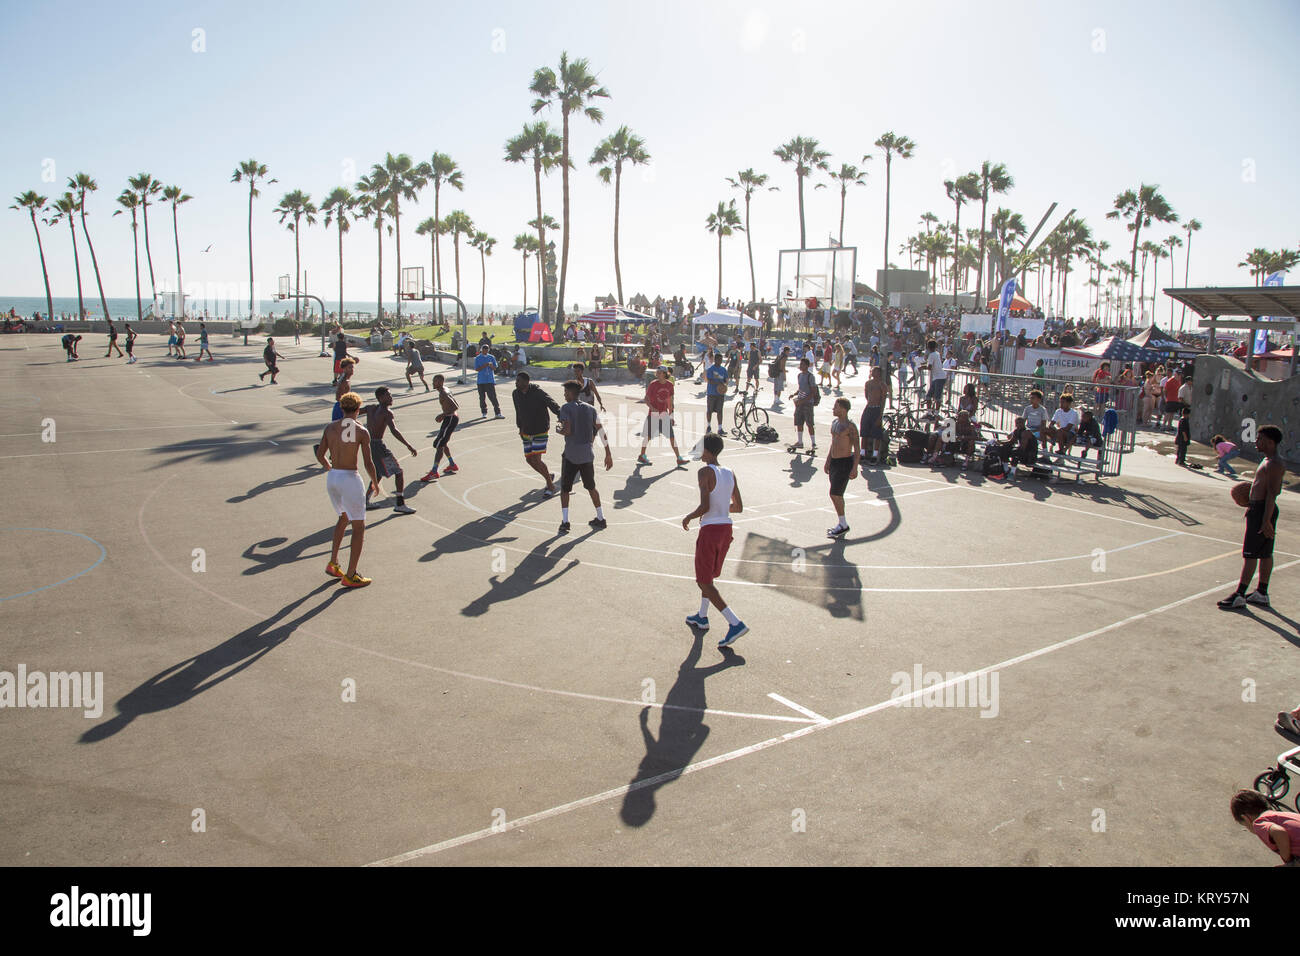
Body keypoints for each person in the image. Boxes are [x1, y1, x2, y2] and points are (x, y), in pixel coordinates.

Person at [682, 433, 748, 648]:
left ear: (708, 451)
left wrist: (689, 517)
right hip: (726, 529)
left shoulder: (704, 472)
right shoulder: (729, 473)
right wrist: (721, 508)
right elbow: (738, 507)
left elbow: (704, 507)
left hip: (710, 530)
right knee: (709, 576)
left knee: (704, 580)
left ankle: (734, 622)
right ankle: (702, 616)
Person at [314, 390, 381, 588]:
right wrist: (375, 482)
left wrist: (330, 469)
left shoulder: (330, 427)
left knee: (344, 517)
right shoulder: (361, 431)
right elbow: (368, 462)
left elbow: (320, 455)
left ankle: (334, 562)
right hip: (350, 478)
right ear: (358, 409)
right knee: (359, 527)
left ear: (341, 408)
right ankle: (351, 574)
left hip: (333, 476)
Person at [1219, 425, 1284, 609]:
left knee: (1250, 555)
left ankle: (1239, 595)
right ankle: (1261, 593)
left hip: (1262, 511)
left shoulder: (1274, 464)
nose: (1256, 441)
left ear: (1271, 442)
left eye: (1260, 439)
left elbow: (1273, 493)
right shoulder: (1268, 460)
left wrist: (1265, 520)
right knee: (1264, 553)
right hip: (1260, 509)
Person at [556, 379, 613, 534]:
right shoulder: (590, 409)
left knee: (565, 489)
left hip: (571, 455)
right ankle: (601, 517)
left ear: (570, 393)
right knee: (591, 487)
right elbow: (601, 431)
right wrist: (608, 454)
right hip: (587, 455)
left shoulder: (566, 408)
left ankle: (565, 521)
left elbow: (567, 431)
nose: (564, 395)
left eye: (565, 392)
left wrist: (559, 430)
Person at [513, 371, 562, 497]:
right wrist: (520, 427)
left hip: (540, 429)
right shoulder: (516, 394)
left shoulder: (538, 392)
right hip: (526, 430)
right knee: (529, 459)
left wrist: (562, 415)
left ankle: (550, 485)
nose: (516, 383)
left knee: (536, 459)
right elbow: (518, 411)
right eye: (516, 380)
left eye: (518, 381)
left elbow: (552, 403)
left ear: (526, 382)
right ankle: (548, 476)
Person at [1229, 790, 1300, 865]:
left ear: (1246, 818)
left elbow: (1279, 832)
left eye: (1246, 826)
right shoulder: (1279, 815)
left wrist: (1287, 859)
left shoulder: (1259, 822)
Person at [637, 367, 690, 467]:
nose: (657, 373)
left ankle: (679, 458)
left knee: (672, 437)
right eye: (657, 372)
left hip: (664, 414)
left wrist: (671, 414)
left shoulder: (669, 385)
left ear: (665, 374)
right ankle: (642, 455)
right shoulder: (653, 384)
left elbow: (670, 401)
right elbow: (646, 399)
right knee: (647, 437)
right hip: (654, 414)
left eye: (659, 372)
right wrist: (652, 408)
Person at [825, 398, 860, 537]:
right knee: (837, 495)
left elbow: (857, 448)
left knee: (835, 494)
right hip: (834, 462)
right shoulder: (834, 423)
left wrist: (855, 467)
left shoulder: (850, 426)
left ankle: (843, 524)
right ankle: (842, 523)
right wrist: (828, 460)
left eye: (836, 407)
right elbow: (833, 443)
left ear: (843, 409)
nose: (833, 409)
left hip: (845, 462)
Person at [421, 374, 460, 481]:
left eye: (436, 381)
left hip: (450, 418)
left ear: (441, 382)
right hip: (450, 418)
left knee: (439, 445)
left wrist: (443, 415)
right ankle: (452, 464)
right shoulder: (445, 390)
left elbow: (455, 406)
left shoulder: (443, 393)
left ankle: (434, 471)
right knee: (443, 442)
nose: (433, 383)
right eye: (433, 381)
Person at [859, 365, 890, 467]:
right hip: (869, 408)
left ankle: (874, 455)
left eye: (876, 372)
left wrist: (880, 415)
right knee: (864, 432)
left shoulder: (882, 385)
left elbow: (883, 401)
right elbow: (867, 396)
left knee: (876, 434)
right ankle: (862, 453)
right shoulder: (868, 383)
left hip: (877, 409)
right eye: (873, 371)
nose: (873, 373)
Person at [789, 357, 818, 453]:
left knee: (809, 423)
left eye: (802, 364)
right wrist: (794, 394)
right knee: (799, 422)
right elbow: (801, 388)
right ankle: (800, 442)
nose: (800, 366)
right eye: (800, 364)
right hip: (799, 402)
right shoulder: (799, 375)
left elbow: (813, 392)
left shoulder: (810, 376)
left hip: (808, 404)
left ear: (807, 365)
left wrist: (803, 401)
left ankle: (813, 443)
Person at [474, 344, 503, 418]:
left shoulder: (491, 357)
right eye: (484, 350)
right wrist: (485, 365)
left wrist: (491, 366)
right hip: (481, 381)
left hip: (489, 380)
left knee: (493, 397)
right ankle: (484, 412)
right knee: (482, 397)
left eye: (487, 350)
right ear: (482, 350)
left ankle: (497, 413)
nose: (486, 352)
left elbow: (495, 368)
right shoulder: (478, 358)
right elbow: (477, 369)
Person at [705, 350, 728, 434]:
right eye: (718, 360)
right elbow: (710, 380)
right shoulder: (711, 369)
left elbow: (725, 380)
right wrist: (719, 384)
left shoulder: (723, 370)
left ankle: (720, 428)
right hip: (711, 393)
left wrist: (724, 385)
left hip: (720, 394)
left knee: (720, 411)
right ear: (715, 360)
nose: (720, 361)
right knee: (709, 410)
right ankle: (708, 426)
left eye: (721, 360)